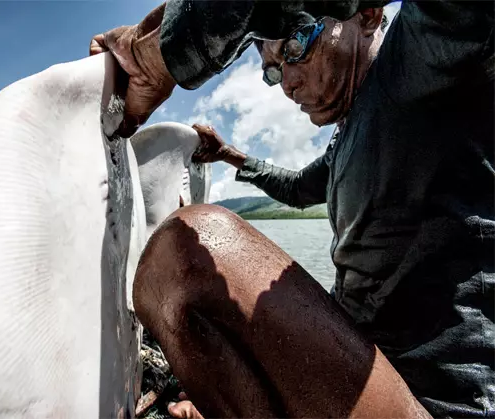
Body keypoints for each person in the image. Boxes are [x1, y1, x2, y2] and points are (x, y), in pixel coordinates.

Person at [90, 1, 494, 418]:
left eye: (295, 44)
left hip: (440, 404)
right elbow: (299, 188)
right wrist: (230, 155)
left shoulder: (432, 53)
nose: (286, 83)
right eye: (272, 71)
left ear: (369, 13)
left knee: (182, 254)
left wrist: (156, 55)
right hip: (368, 372)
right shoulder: (347, 138)